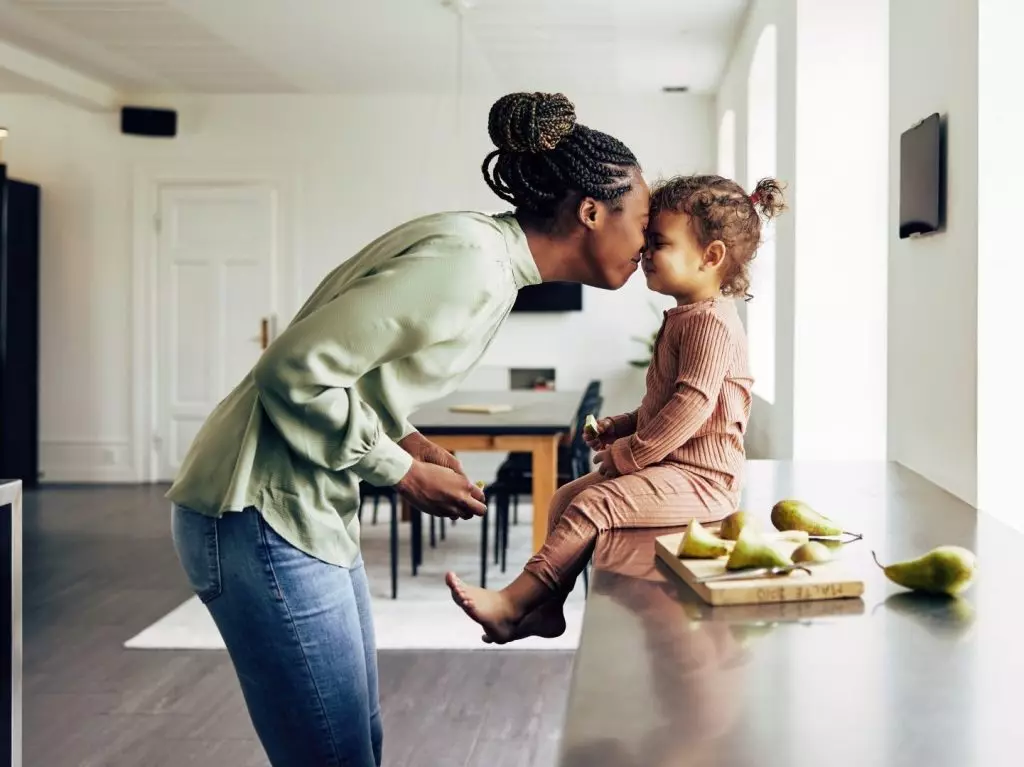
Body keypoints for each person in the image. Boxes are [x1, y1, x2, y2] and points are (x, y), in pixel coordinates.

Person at [166, 91, 649, 767]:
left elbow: (354, 374)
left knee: (356, 743)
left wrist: (411, 441)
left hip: (296, 510)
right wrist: (400, 471)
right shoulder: (471, 263)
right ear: (592, 213)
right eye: (645, 221)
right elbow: (294, 370)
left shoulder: (486, 257)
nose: (649, 243)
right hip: (259, 511)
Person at [446, 173, 786, 645]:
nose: (644, 253)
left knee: (593, 504)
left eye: (659, 244)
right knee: (565, 498)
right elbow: (666, 403)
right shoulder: (687, 317)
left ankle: (513, 602)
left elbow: (692, 404)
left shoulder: (710, 324)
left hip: (705, 480)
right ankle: (547, 608)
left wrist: (633, 452)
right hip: (673, 467)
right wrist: (621, 425)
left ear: (711, 257)